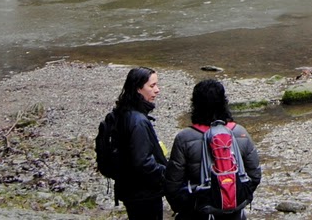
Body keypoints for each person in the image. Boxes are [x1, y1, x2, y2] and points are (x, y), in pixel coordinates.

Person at [166, 78, 261, 220]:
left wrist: (186, 207)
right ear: (224, 102)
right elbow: (255, 175)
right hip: (234, 212)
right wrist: (236, 199)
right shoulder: (240, 133)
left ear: (195, 105)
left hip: (197, 212)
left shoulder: (184, 138)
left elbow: (173, 184)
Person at [107, 67, 167, 220]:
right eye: (152, 86)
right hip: (143, 192)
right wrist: (167, 172)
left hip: (129, 188)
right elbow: (143, 162)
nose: (157, 90)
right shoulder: (138, 121)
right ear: (138, 88)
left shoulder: (122, 112)